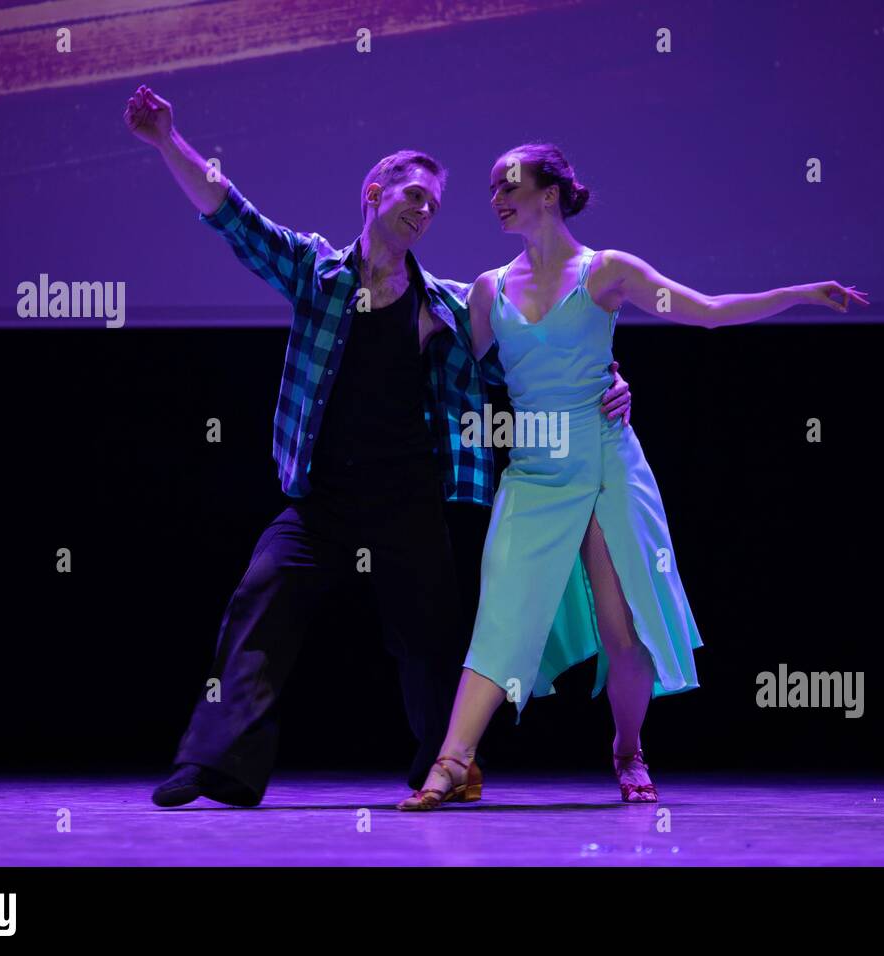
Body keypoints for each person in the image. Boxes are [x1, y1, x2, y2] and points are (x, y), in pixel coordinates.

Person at [122, 88, 634, 806]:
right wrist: (166, 140)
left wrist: (611, 380)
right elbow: (231, 216)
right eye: (414, 196)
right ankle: (216, 766)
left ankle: (447, 767)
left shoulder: (448, 305)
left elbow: (534, 360)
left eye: (433, 205)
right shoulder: (316, 274)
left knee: (430, 641)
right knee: (258, 604)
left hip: (406, 499)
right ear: (374, 192)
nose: (424, 211)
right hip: (322, 499)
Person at [398, 143, 867, 809]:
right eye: (491, 188)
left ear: (551, 193)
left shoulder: (606, 270)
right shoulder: (487, 289)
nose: (497, 197)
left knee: (625, 635)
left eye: (511, 184)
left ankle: (627, 748)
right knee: (499, 619)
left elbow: (702, 309)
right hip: (534, 472)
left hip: (607, 465)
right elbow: (452, 365)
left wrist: (798, 294)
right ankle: (452, 763)